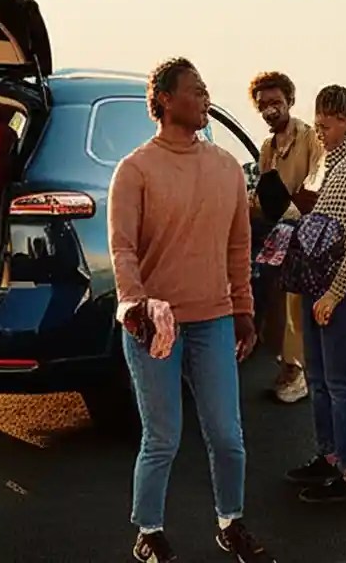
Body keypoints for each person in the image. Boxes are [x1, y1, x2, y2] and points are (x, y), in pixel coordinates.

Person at [108, 57, 274, 563]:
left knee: (227, 435)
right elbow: (123, 249)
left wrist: (243, 309)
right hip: (154, 326)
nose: (205, 99)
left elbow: (237, 246)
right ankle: (149, 530)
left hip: (214, 320)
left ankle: (231, 523)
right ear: (163, 101)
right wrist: (134, 304)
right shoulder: (135, 169)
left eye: (205, 90)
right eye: (195, 91)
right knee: (163, 438)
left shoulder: (224, 167)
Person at [283, 84, 346, 504]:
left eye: (332, 117)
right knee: (319, 379)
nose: (321, 123)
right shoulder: (324, 167)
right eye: (320, 114)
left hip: (341, 291)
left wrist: (334, 295)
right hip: (316, 286)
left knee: (338, 382)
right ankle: (330, 456)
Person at [247, 70, 325, 404]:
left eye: (276, 102)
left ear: (289, 102)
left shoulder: (309, 138)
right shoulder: (267, 146)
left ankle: (297, 370)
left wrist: (287, 214)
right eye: (263, 104)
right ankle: (277, 355)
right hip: (277, 228)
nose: (270, 109)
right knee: (266, 285)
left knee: (292, 296)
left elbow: (316, 186)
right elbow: (264, 195)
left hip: (304, 228)